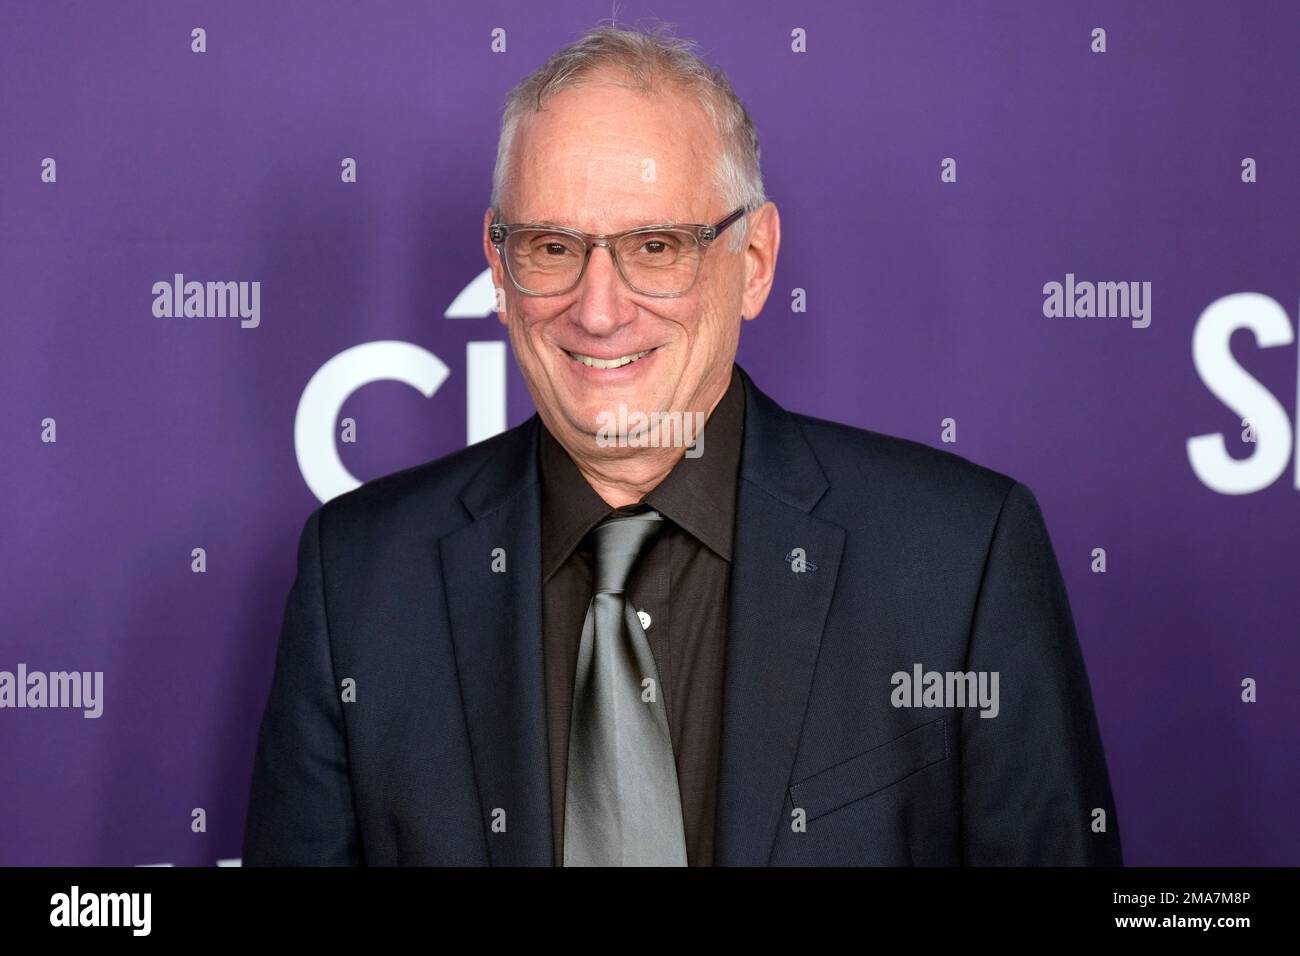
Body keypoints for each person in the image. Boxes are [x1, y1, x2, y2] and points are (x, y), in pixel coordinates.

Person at [243, 23, 1122, 866]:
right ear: (500, 267)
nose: (598, 308)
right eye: (553, 247)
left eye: (656, 246)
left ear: (756, 260)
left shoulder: (959, 558)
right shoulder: (356, 581)